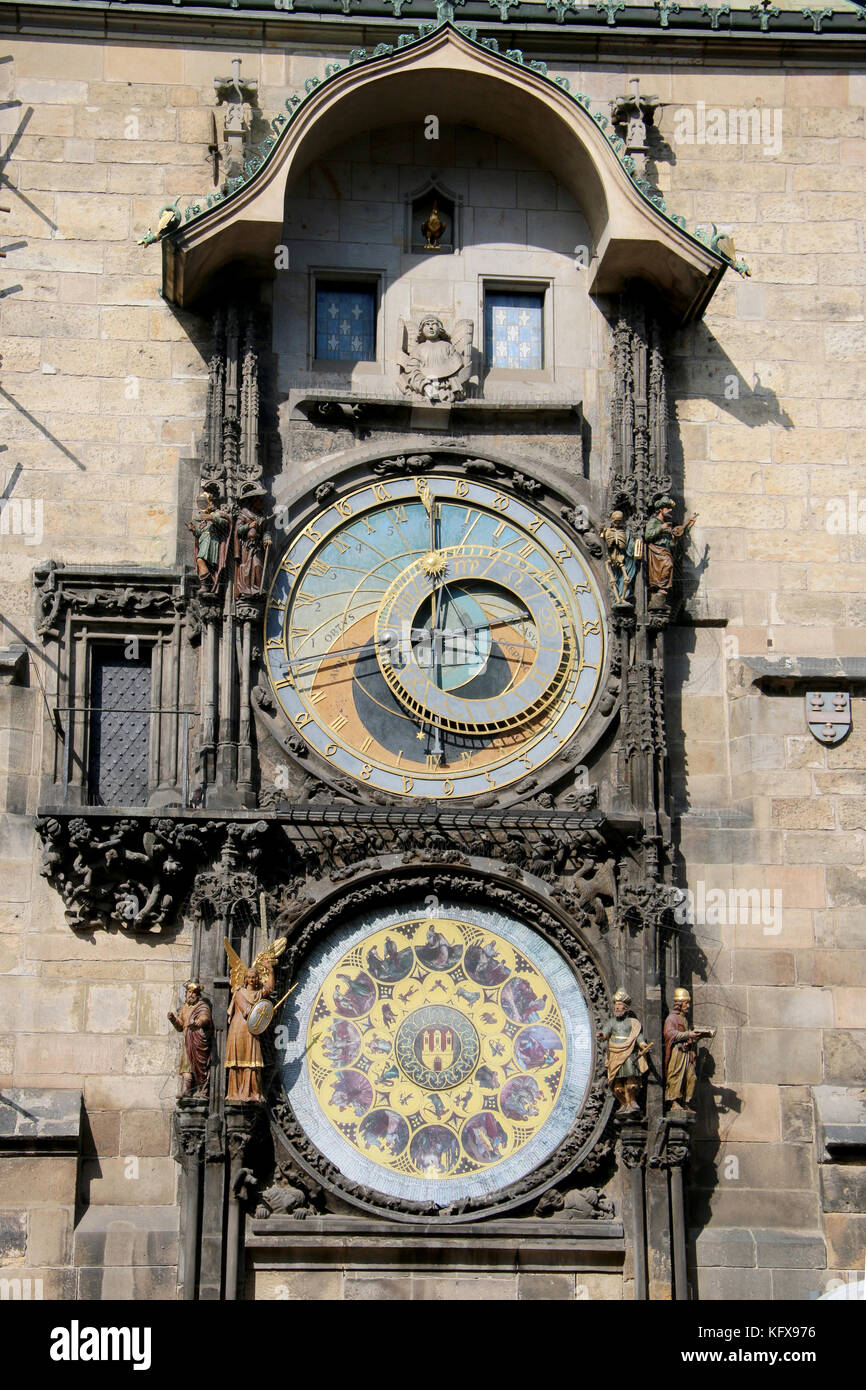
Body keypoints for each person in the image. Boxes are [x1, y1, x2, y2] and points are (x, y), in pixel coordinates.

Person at [597, 988, 651, 1114]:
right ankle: (623, 1103)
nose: (617, 1008)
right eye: (616, 1005)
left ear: (625, 1008)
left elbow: (637, 1035)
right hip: (615, 1053)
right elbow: (605, 1033)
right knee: (617, 1083)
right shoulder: (611, 1022)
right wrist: (602, 1035)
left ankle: (631, 1101)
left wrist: (642, 1044)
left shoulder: (632, 1023)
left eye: (620, 1005)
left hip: (629, 1053)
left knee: (631, 1079)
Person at [225, 966, 272, 1101]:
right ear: (245, 979)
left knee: (252, 1060)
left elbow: (269, 988)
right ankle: (236, 1092)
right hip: (239, 1028)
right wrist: (259, 1011)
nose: (251, 979)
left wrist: (270, 970)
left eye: (254, 977)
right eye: (249, 977)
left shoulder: (257, 994)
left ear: (257, 979)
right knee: (238, 1059)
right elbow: (247, 1010)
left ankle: (251, 1092)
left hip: (252, 1030)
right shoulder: (239, 993)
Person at [664, 987, 713, 1110]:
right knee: (676, 1076)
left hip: (686, 1053)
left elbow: (686, 1035)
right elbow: (669, 1034)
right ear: (679, 1004)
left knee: (691, 1077)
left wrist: (696, 1036)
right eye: (686, 1003)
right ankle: (674, 1102)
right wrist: (688, 1034)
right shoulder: (672, 1018)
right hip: (677, 1053)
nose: (688, 1006)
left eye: (688, 1002)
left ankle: (686, 1101)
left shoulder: (684, 1019)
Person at [644, 495, 696, 609]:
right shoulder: (654, 522)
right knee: (667, 565)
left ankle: (661, 593)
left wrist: (687, 528)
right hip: (656, 551)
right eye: (667, 508)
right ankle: (659, 591)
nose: (670, 510)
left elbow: (673, 542)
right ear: (661, 509)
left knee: (668, 566)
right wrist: (661, 528)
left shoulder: (668, 524)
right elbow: (647, 536)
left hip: (665, 551)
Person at [168, 981, 213, 1099]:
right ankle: (186, 1090)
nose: (191, 995)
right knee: (186, 1064)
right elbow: (180, 1026)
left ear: (198, 994)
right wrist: (173, 1019)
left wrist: (200, 1021)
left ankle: (202, 1090)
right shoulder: (185, 1008)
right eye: (189, 992)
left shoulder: (202, 1006)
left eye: (193, 992)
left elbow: (205, 1017)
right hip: (187, 1039)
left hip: (197, 1039)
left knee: (199, 1065)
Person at [188, 481, 231, 593]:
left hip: (212, 542)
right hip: (204, 542)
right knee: (200, 560)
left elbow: (225, 524)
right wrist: (194, 530)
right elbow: (200, 533)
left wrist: (211, 518)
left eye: (211, 501)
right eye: (208, 501)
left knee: (200, 559)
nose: (209, 503)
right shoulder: (204, 519)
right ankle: (206, 585)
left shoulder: (217, 514)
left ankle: (206, 584)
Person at [233, 482, 272, 598]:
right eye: (259, 501)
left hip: (257, 546)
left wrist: (267, 539)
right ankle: (247, 588)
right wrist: (248, 526)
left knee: (257, 565)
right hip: (246, 546)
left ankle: (257, 587)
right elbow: (238, 530)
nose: (262, 504)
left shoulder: (261, 517)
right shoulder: (243, 514)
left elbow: (266, 531)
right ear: (253, 502)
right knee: (248, 566)